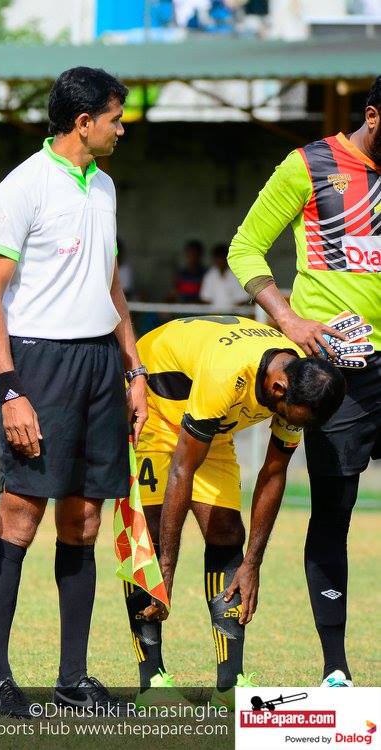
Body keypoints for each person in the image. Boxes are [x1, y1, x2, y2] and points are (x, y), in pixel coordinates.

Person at [0, 67, 146, 716]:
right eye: (114, 117)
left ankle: (71, 681)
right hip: (39, 367)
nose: (120, 127)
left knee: (84, 519)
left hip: (101, 364)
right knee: (19, 517)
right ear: (83, 122)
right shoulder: (22, 186)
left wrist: (132, 371)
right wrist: (9, 389)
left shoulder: (101, 185)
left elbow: (109, 284)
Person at [228, 75, 381, 688]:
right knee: (334, 513)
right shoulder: (309, 165)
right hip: (335, 376)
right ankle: (336, 668)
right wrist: (287, 317)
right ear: (373, 116)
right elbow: (245, 248)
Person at [129, 316, 344, 709]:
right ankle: (153, 683)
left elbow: (274, 471)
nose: (294, 425)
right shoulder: (229, 371)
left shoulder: (299, 380)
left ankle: (228, 687)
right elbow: (182, 469)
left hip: (212, 423)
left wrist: (253, 562)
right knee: (153, 531)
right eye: (295, 418)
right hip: (157, 406)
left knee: (227, 532)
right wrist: (168, 566)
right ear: (277, 388)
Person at [200, 244, 249, 310]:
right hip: (214, 315)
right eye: (217, 258)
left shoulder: (236, 274)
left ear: (227, 258)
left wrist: (230, 310)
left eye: (222, 257)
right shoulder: (210, 275)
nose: (220, 261)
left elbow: (242, 298)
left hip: (234, 314)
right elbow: (205, 298)